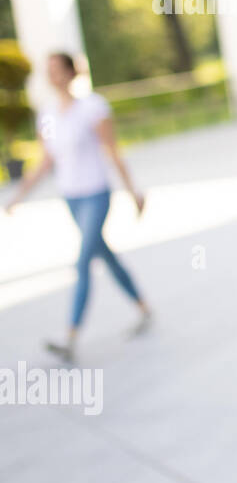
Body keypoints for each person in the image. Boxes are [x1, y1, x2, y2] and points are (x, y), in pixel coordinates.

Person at [4, 51, 151, 360]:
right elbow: (46, 161)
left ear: (73, 72)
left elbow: (112, 152)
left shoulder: (94, 107)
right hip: (71, 197)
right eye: (50, 70)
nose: (53, 75)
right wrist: (18, 196)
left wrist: (132, 191)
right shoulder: (47, 114)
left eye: (59, 69)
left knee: (83, 261)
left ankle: (70, 336)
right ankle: (143, 307)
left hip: (97, 195)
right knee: (105, 257)